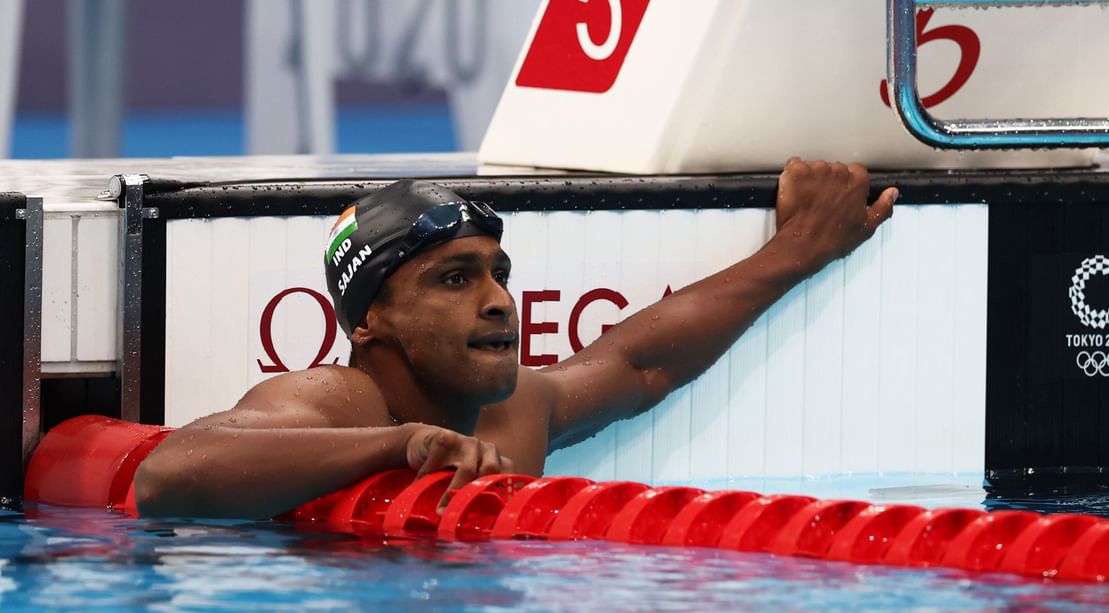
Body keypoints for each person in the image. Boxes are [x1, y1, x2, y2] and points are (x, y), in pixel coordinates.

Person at [135, 159, 898, 519]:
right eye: (455, 279)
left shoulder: (514, 412)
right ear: (370, 321)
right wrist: (397, 446)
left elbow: (641, 359)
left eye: (498, 274)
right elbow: (171, 476)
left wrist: (803, 247)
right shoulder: (333, 401)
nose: (500, 301)